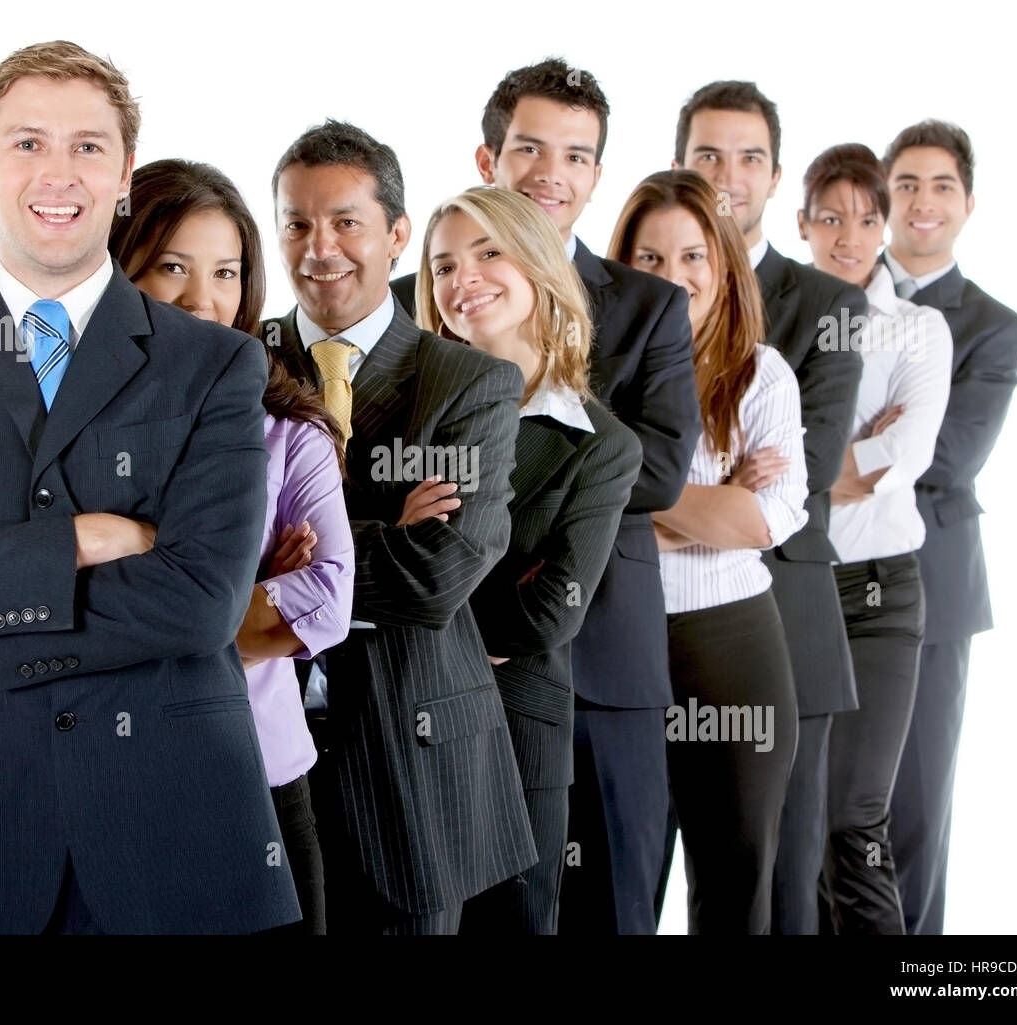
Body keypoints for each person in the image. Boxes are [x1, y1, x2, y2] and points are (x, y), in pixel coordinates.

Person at [0, 41, 299, 933]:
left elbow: (201, 603)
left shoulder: (216, 363)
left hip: (174, 819)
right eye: (27, 143)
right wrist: (83, 540)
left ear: (124, 172)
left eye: (88, 146)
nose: (60, 172)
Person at [392, 57, 701, 935]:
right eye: (529, 147)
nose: (550, 173)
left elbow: (658, 470)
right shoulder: (419, 324)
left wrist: (477, 522)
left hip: (596, 658)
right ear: (489, 157)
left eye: (575, 155)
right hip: (421, 694)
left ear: (596, 175)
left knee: (604, 898)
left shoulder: (645, 310)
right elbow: (359, 521)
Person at [264, 120, 536, 934]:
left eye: (346, 221)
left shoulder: (470, 383)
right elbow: (200, 557)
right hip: (264, 750)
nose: (321, 248)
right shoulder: (238, 363)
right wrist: (382, 524)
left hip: (410, 765)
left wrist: (296, 559)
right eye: (297, 223)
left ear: (396, 233)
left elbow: (437, 577)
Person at [109, 158, 354, 934]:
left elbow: (329, 599)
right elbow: (47, 612)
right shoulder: (66, 430)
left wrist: (146, 569)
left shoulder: (291, 432)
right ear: (120, 272)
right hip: (113, 787)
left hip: (262, 782)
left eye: (226, 271)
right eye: (172, 267)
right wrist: (239, 596)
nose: (202, 300)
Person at [416, 186, 642, 933]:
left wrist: (422, 594)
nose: (463, 278)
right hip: (400, 722)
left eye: (488, 253)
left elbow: (545, 616)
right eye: (443, 265)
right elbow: (362, 565)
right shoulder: (403, 416)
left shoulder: (601, 444)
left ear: (540, 264)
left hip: (517, 734)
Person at [673, 81, 864, 933]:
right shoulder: (634, 292)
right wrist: (713, 488)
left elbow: (803, 473)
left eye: (748, 157)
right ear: (680, 163)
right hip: (647, 629)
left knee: (780, 897)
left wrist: (639, 491)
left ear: (776, 176)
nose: (727, 174)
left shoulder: (829, 307)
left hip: (783, 621)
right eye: (707, 154)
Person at [610, 169, 806, 933]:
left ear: (723, 265)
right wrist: (712, 501)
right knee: (620, 880)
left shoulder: (760, 373)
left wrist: (641, 501)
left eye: (692, 256)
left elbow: (773, 516)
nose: (673, 278)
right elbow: (571, 511)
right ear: (620, 268)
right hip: (618, 640)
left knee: (734, 880)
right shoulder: (593, 377)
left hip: (731, 648)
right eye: (650, 259)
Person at [880, 121, 1017, 935]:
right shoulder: (833, 298)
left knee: (913, 806)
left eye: (941, 185)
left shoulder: (994, 327)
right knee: (822, 806)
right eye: (906, 183)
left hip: (932, 594)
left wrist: (853, 440)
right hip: (822, 584)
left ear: (968, 203)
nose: (923, 201)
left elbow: (946, 457)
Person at [797, 143, 952, 932]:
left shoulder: (918, 328)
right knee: (793, 836)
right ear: (803, 224)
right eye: (830, 217)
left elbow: (902, 456)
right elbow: (735, 458)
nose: (848, 236)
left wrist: (804, 462)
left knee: (853, 822)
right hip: (788, 591)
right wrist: (844, 457)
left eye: (866, 218)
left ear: (885, 225)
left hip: (880, 595)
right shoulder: (777, 316)